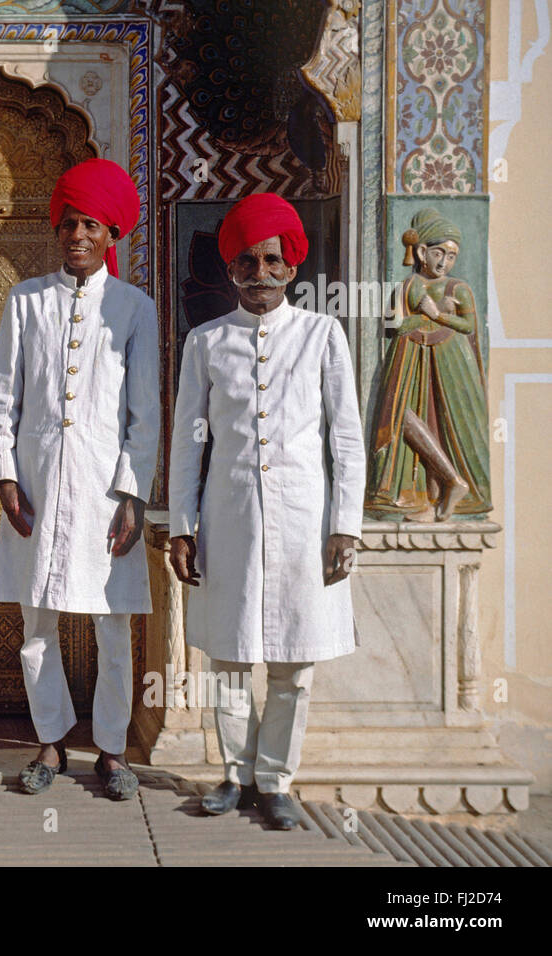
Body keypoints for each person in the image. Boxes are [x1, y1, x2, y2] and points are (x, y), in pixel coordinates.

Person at [167, 193, 365, 829]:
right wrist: (182, 526)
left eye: (272, 260)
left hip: (306, 523)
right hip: (228, 521)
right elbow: (186, 440)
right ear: (231, 269)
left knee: (292, 661)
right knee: (228, 655)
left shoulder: (322, 335)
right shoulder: (206, 342)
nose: (260, 273)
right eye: (247, 261)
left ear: (291, 267)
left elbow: (346, 437)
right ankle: (232, 773)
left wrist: (345, 526)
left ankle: (276, 780)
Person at [0, 158, 160, 800]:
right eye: (68, 224)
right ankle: (51, 745)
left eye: (90, 224)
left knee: (110, 623)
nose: (77, 236)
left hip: (103, 494)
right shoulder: (26, 300)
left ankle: (111, 751)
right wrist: (5, 476)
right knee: (38, 624)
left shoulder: (133, 308)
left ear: (111, 234)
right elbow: (2, 397)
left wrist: (132, 496)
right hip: (35, 487)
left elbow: (145, 415)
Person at [366, 207, 491, 520]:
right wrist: (422, 316)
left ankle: (441, 497)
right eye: (439, 253)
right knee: (403, 417)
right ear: (422, 252)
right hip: (410, 359)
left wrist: (438, 315)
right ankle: (443, 485)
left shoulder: (458, 287)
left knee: (443, 424)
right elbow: (394, 325)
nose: (444, 262)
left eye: (451, 257)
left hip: (450, 363)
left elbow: (468, 327)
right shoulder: (406, 287)